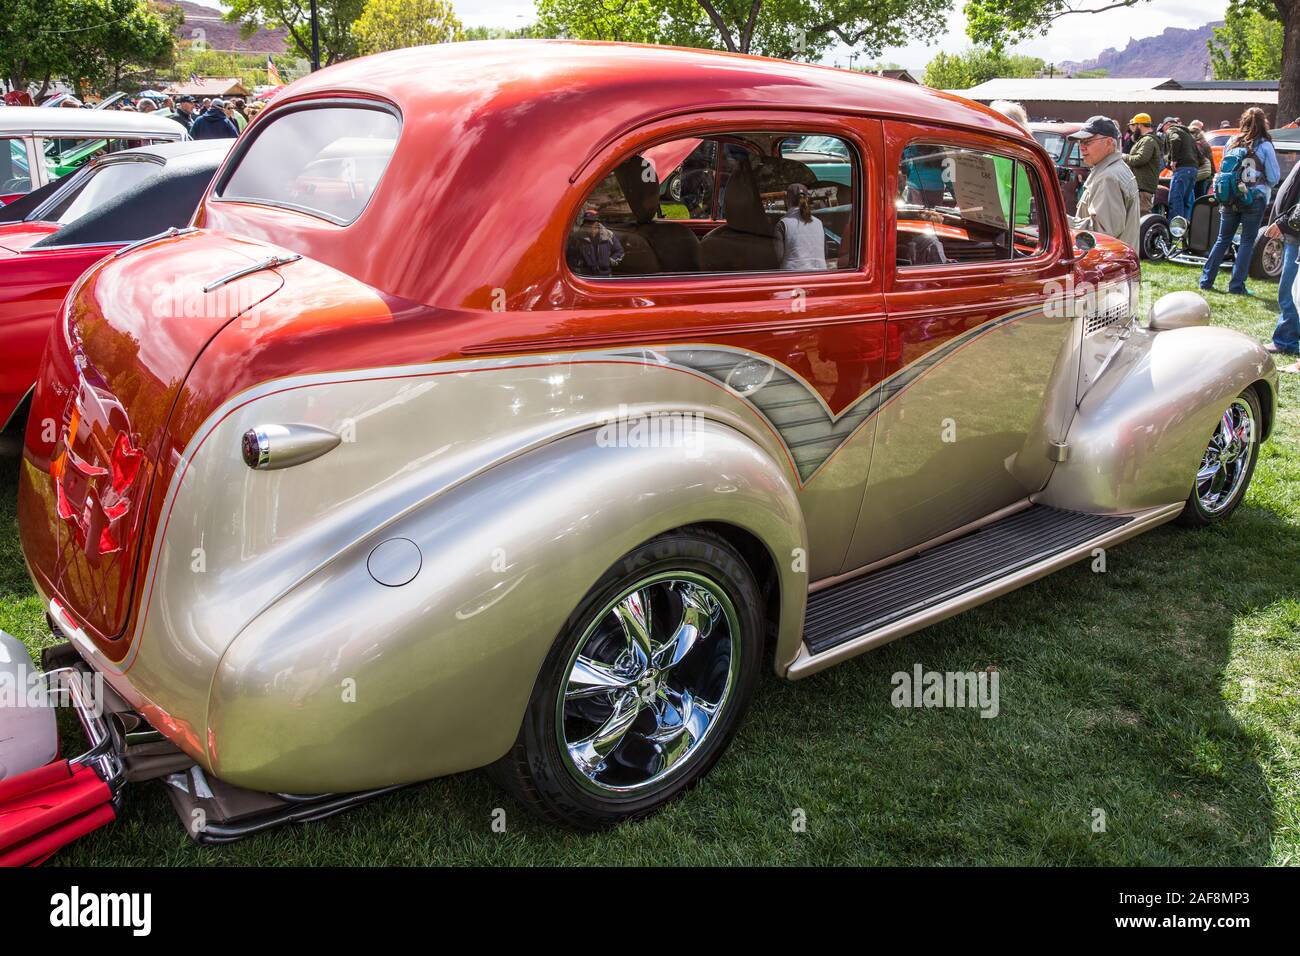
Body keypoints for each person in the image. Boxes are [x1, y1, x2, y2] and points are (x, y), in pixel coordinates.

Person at [1200, 106, 1280, 294]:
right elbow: (1274, 177)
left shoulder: (1232, 142)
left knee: (1222, 239)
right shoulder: (1265, 145)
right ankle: (1236, 285)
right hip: (1255, 198)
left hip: (1229, 197)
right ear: (1264, 124)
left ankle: (1206, 280)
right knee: (1246, 241)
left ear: (1242, 121)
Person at [1068, 115, 1140, 249]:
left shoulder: (1108, 177)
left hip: (1107, 265)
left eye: (1087, 142)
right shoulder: (1114, 169)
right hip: (1115, 264)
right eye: (1080, 142)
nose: (1082, 147)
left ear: (1108, 142)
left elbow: (1102, 234)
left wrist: (1061, 221)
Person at [1261, 150, 1300, 355]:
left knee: (1292, 292)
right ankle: (1287, 339)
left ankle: (1286, 341)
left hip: (1295, 231)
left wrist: (1284, 223)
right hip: (1294, 232)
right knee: (1291, 292)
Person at [774, 183, 827, 270]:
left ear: (788, 200)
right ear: (807, 199)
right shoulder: (819, 223)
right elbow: (825, 252)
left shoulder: (782, 224)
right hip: (820, 276)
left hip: (794, 278)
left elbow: (778, 256)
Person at [1161, 116, 1200, 222]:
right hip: (1193, 169)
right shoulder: (1188, 134)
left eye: (1163, 128)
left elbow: (1175, 139)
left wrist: (1173, 160)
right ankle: (1184, 230)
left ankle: (1175, 231)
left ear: (1167, 124)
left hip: (1182, 169)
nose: (1164, 132)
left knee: (1175, 200)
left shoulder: (1172, 130)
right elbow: (1198, 153)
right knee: (1186, 201)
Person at [566, 209, 624, 276]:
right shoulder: (577, 237)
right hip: (585, 276)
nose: (588, 224)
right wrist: (578, 266)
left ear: (597, 222)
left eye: (591, 222)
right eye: (586, 221)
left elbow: (620, 251)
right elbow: (570, 255)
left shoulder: (608, 235)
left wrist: (610, 261)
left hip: (605, 275)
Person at [1124, 112, 1161, 215]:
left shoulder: (1148, 140)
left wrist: (1123, 156)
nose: (1133, 129)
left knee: (1141, 218)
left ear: (1139, 125)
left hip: (1143, 187)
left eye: (1134, 126)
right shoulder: (1145, 140)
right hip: (1140, 186)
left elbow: (1140, 159)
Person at [1189, 119, 1216, 199]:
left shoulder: (1198, 144)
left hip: (1201, 176)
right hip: (1207, 175)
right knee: (1201, 199)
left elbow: (1200, 160)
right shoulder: (1203, 142)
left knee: (1197, 199)